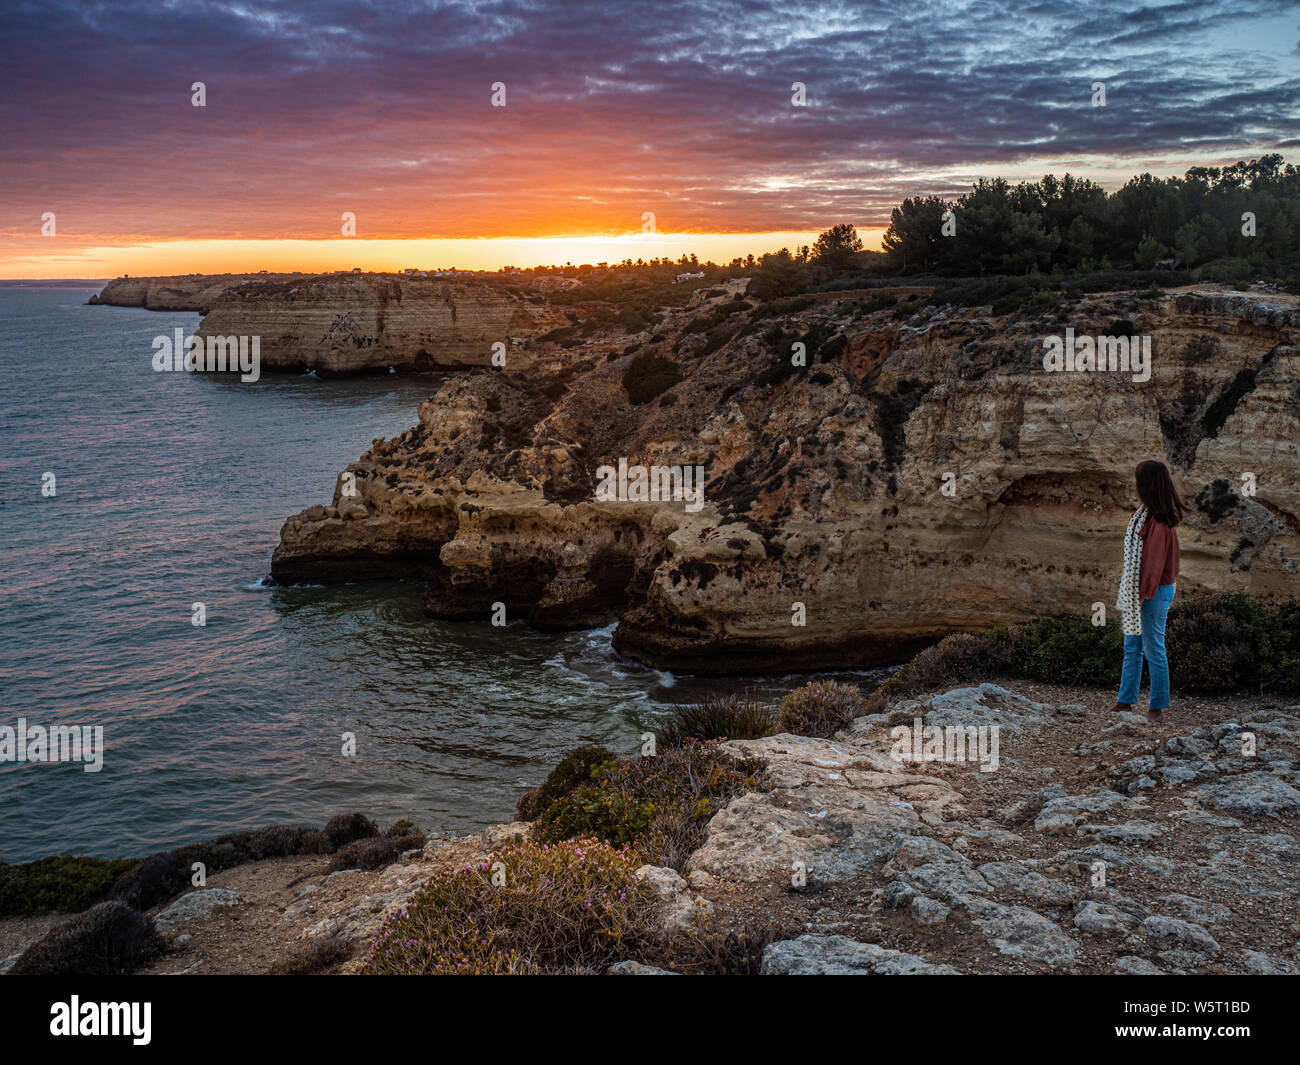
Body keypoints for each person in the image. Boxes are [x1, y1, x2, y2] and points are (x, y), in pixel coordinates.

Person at [1113, 460, 1183, 722]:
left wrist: (1141, 596)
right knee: (1132, 646)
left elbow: (1153, 565)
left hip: (1153, 592)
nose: (1135, 483)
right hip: (1142, 591)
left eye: (1138, 479)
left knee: (1153, 648)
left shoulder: (1160, 522)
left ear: (1148, 484)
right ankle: (1125, 701)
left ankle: (1157, 708)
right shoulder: (1145, 514)